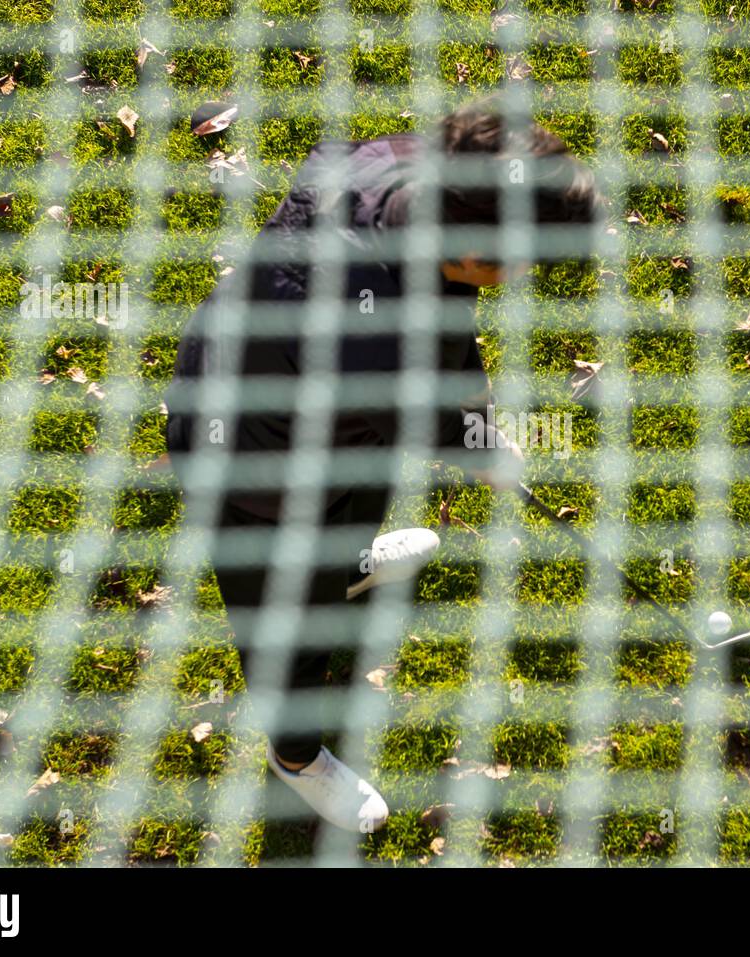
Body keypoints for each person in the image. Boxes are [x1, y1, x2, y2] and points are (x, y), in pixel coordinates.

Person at [163, 98, 599, 833]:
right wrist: (481, 446)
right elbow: (424, 407)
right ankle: (295, 757)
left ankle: (351, 561)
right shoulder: (381, 338)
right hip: (251, 464)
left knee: (352, 508)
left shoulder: (407, 172)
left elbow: (448, 331)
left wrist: (477, 425)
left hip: (327, 423)